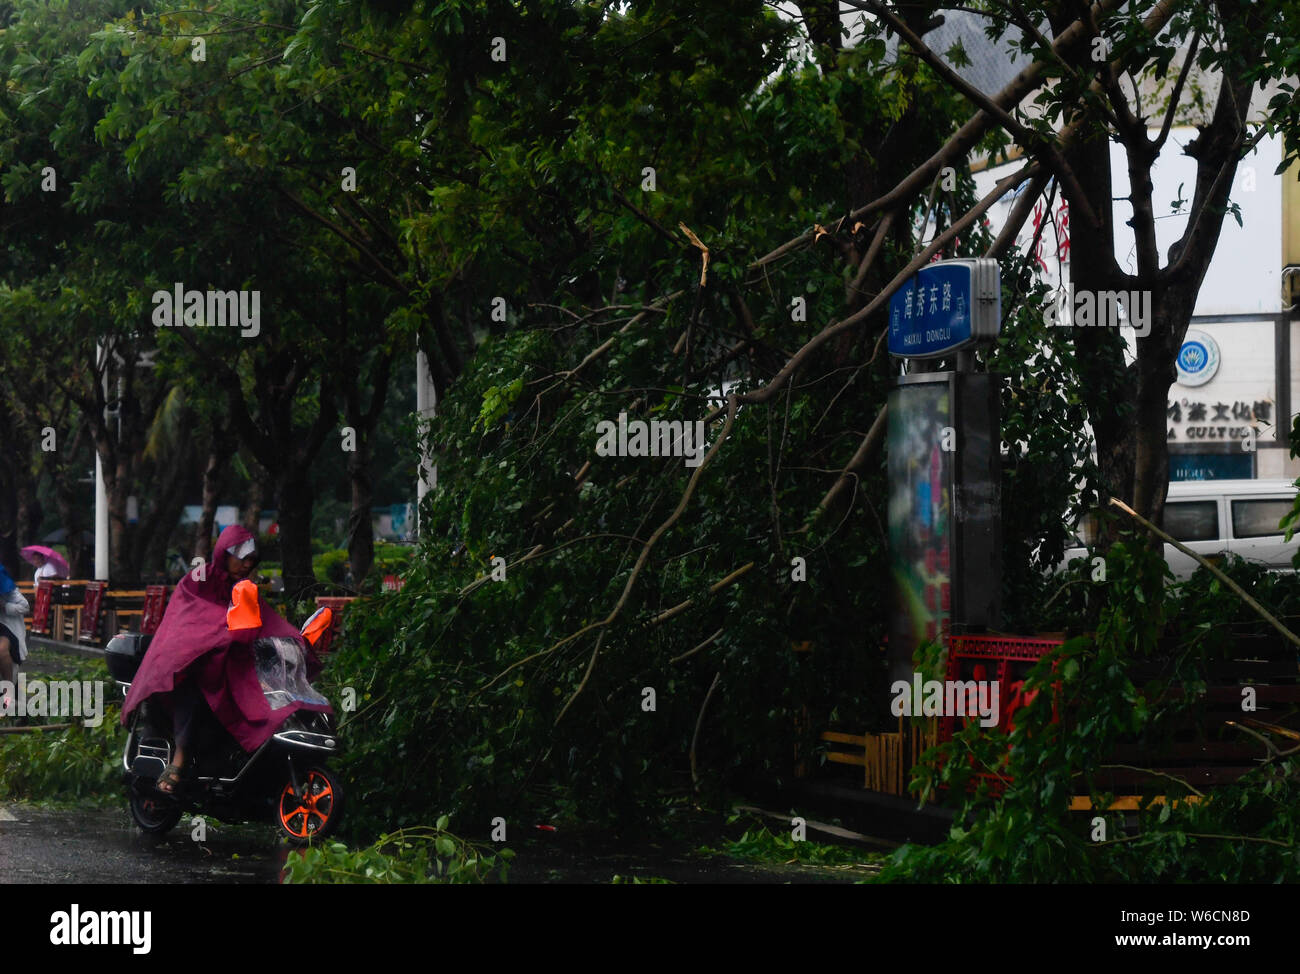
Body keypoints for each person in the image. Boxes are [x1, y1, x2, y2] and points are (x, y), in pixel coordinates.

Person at [120, 525, 328, 795]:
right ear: (223, 553)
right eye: (241, 557)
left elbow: (267, 625)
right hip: (192, 663)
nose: (246, 565)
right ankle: (179, 759)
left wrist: (296, 642)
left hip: (231, 664)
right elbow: (188, 622)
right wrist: (221, 634)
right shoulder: (197, 580)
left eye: (251, 560)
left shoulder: (244, 588)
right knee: (193, 688)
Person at [0, 565, 29, 705]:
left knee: (2, 651)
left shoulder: (9, 592)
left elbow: (25, 607)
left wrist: (4, 606)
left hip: (8, 629)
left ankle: (8, 691)